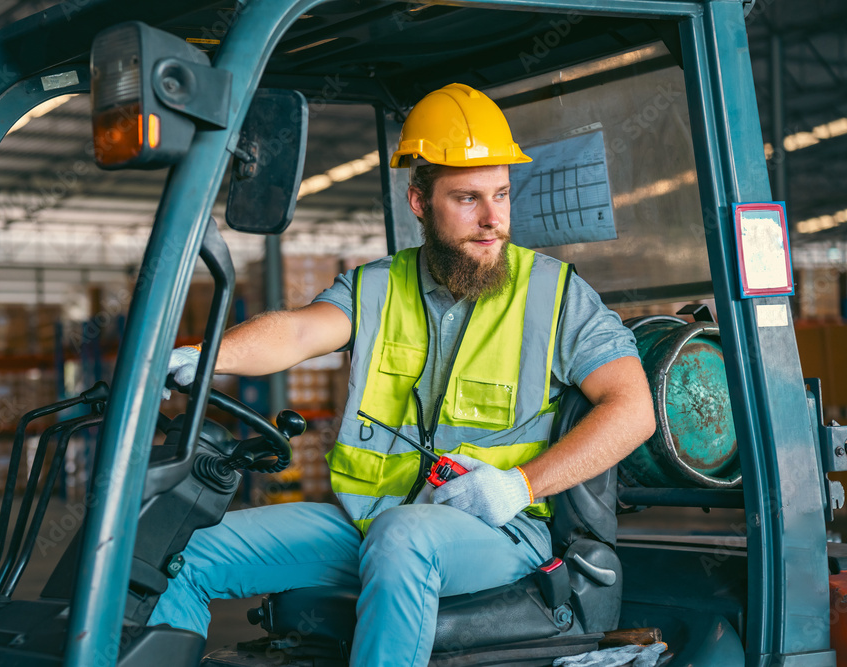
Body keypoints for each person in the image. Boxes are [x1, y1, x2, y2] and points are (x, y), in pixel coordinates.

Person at [150, 83, 656, 666]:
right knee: (180, 551)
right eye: (468, 199)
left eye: (501, 195)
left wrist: (519, 486)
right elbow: (294, 333)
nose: (493, 220)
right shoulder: (377, 287)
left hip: (496, 531)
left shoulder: (555, 293)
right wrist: (200, 355)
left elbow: (633, 409)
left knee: (405, 538)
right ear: (419, 202)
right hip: (371, 522)